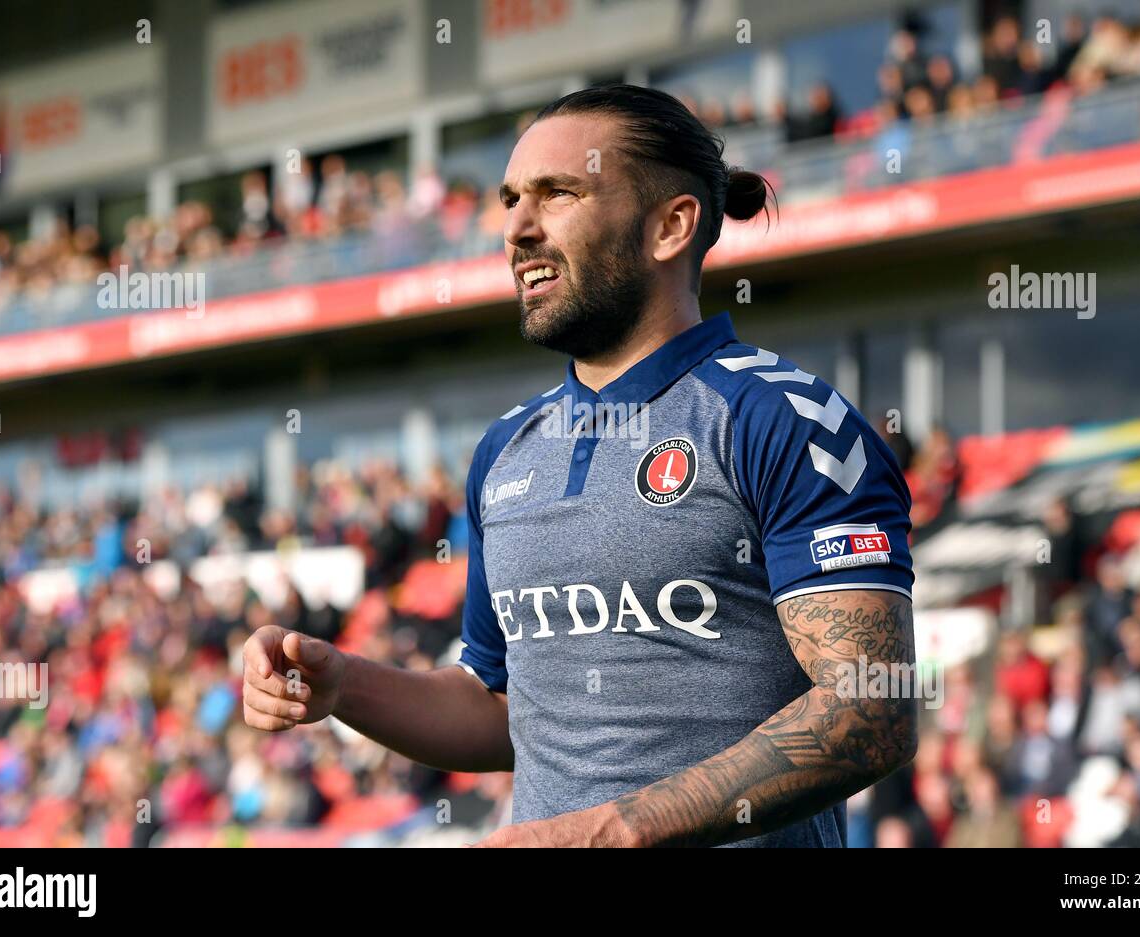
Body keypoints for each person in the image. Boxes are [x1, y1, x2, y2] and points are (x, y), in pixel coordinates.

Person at [242, 84, 917, 847]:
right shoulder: (505, 450)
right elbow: (501, 710)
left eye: (558, 193)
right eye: (510, 200)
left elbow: (872, 708)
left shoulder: (783, 420)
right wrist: (344, 683)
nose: (517, 229)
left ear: (671, 226)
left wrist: (620, 829)